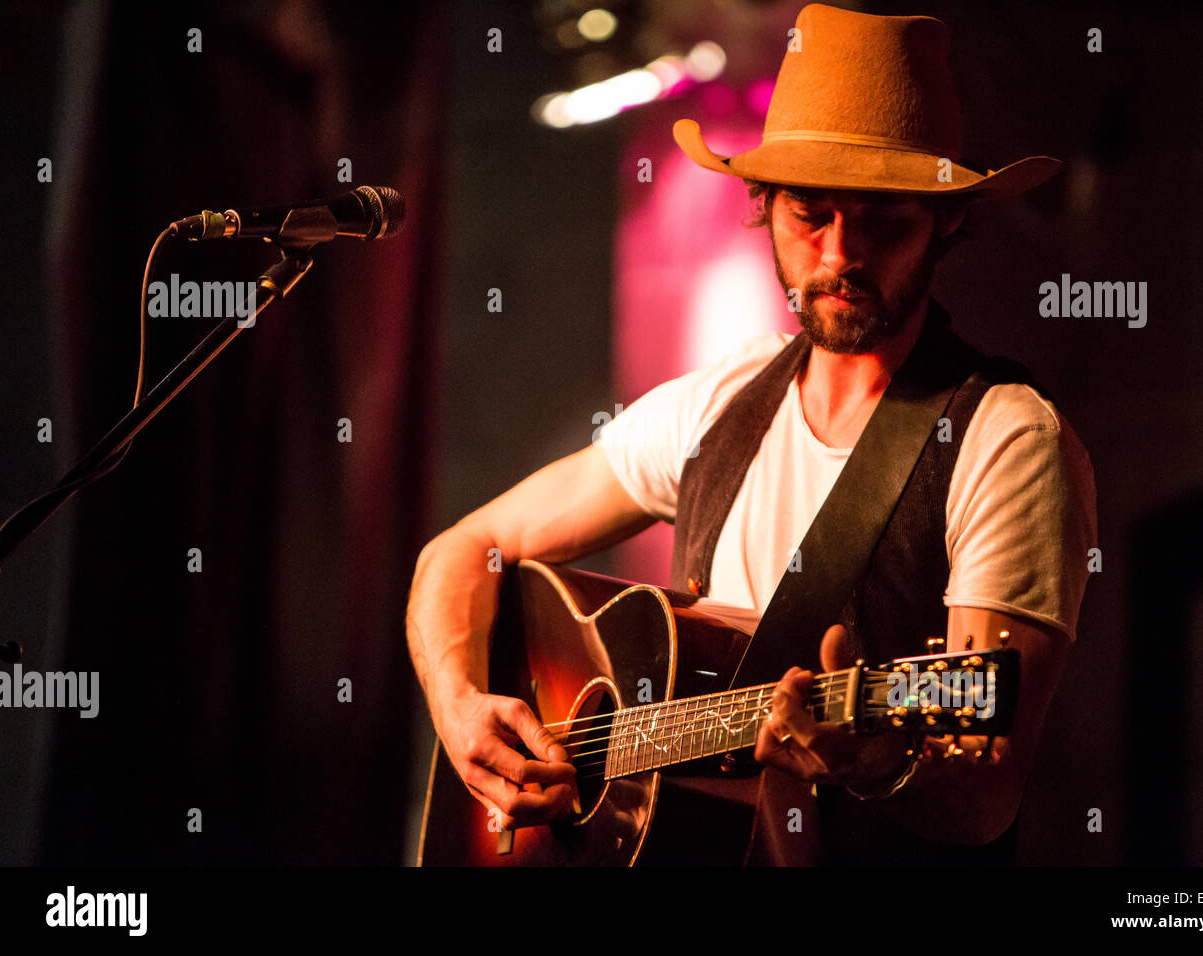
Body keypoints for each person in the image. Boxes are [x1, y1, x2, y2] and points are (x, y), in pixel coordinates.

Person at [405, 4, 1097, 865]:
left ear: (947, 219)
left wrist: (876, 762)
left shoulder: (1006, 439)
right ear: (759, 203)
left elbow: (987, 798)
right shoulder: (720, 403)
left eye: (883, 220)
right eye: (811, 213)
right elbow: (463, 551)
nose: (840, 255)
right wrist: (463, 707)